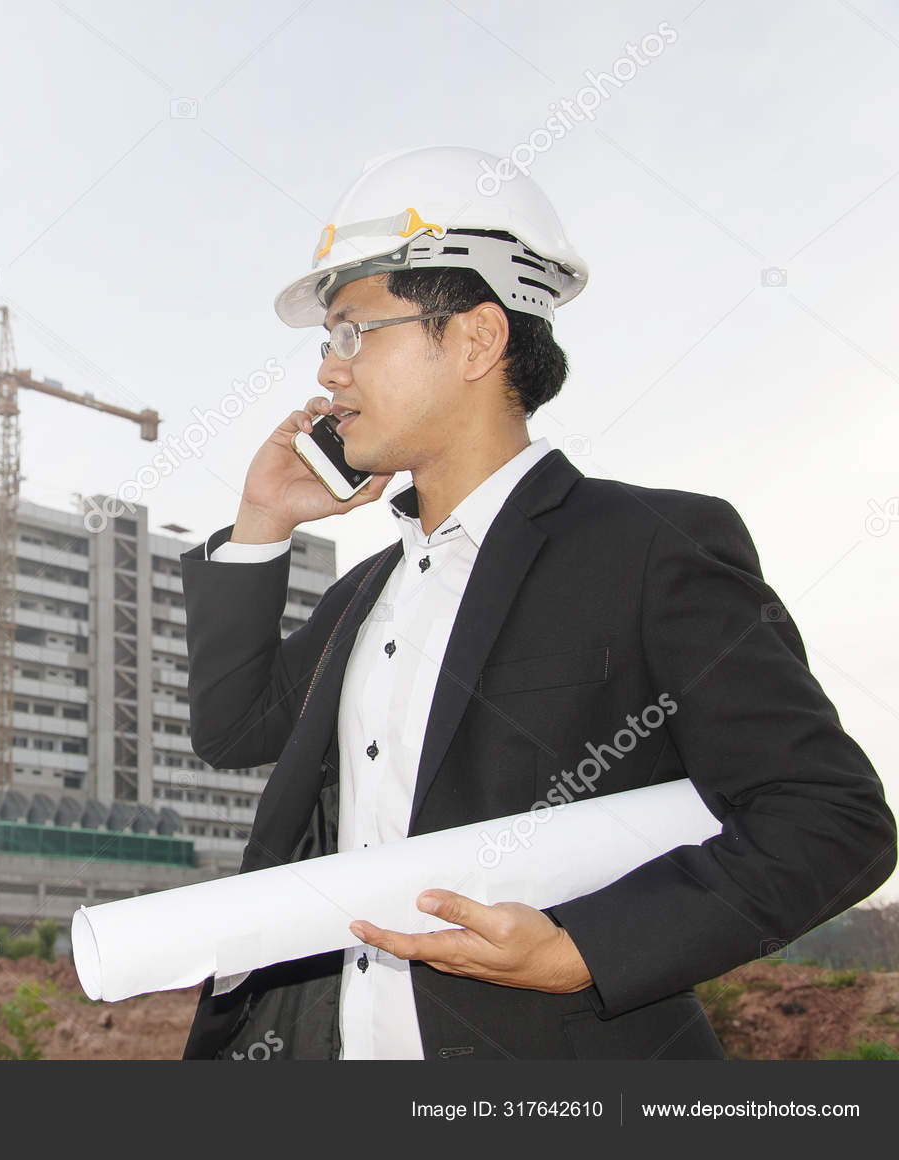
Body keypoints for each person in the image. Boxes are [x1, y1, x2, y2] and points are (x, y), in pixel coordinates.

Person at [178, 145, 896, 1060]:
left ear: (476, 339)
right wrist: (260, 522)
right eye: (326, 342)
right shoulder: (371, 593)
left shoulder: (645, 548)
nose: (328, 371)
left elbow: (830, 819)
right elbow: (233, 729)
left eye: (354, 332)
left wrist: (584, 950)